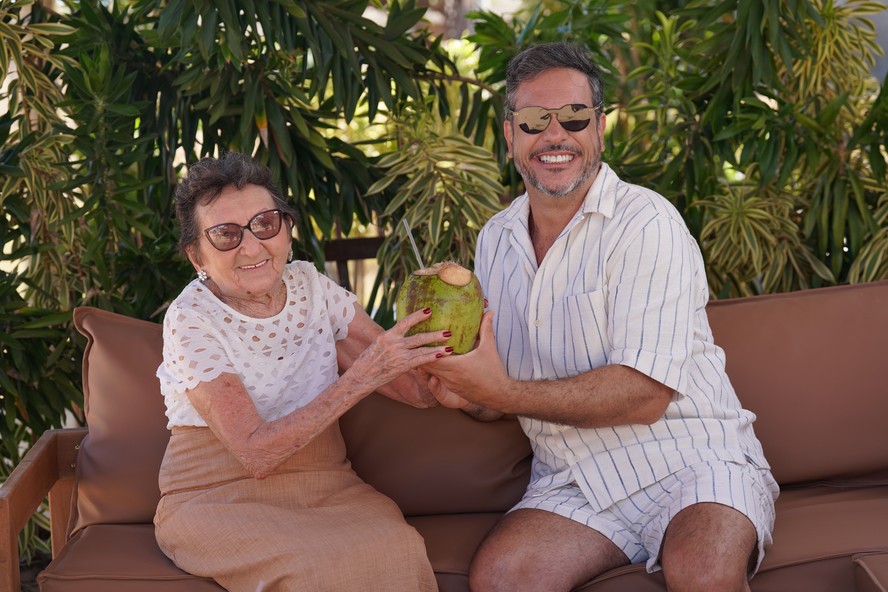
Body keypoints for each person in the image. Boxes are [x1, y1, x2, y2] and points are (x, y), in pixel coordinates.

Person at [424, 42, 779, 592]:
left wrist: (499, 394)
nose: (555, 135)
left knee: (704, 572)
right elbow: (503, 386)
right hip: (575, 481)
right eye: (535, 120)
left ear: (600, 127)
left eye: (573, 117)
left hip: (692, 463)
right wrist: (467, 394)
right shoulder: (495, 240)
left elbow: (644, 395)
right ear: (510, 132)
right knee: (503, 578)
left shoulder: (646, 224)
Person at [154, 151, 448, 592]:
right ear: (197, 255)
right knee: (312, 571)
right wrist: (361, 377)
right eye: (225, 235)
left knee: (399, 549)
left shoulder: (312, 287)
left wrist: (454, 339)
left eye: (265, 224)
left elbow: (416, 390)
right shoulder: (190, 318)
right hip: (215, 494)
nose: (251, 247)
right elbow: (255, 454)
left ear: (287, 230)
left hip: (326, 484)